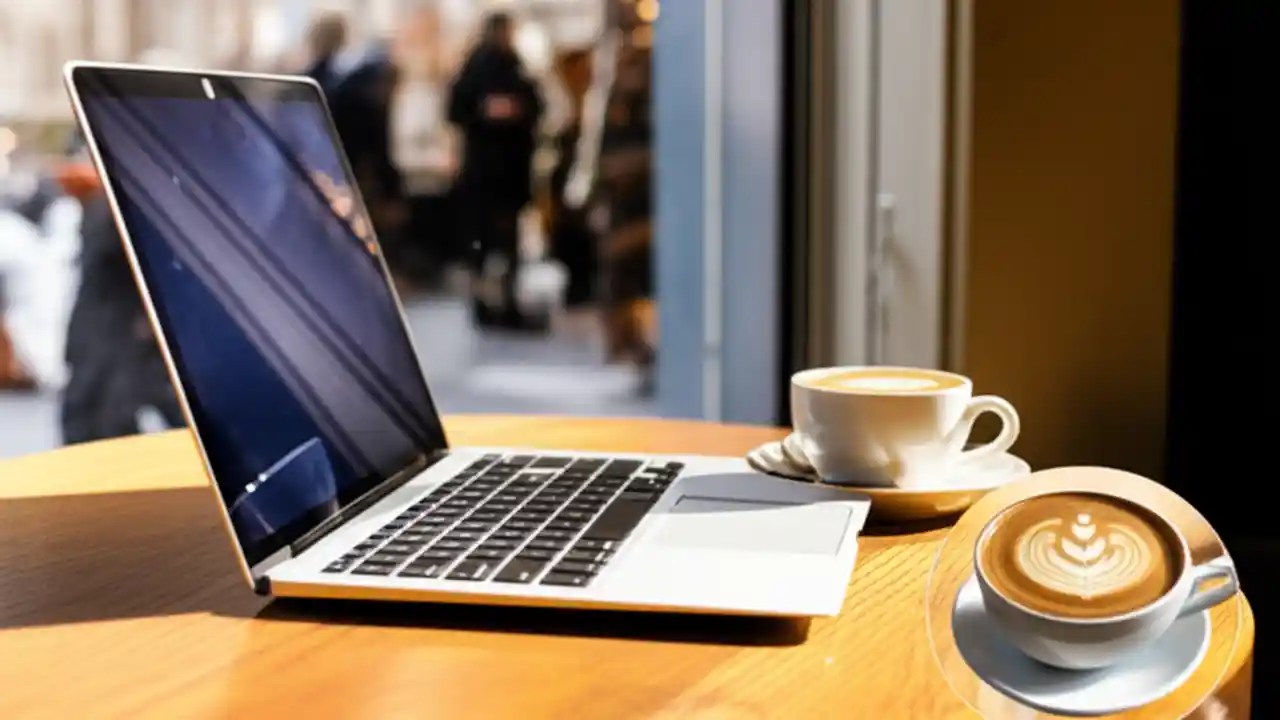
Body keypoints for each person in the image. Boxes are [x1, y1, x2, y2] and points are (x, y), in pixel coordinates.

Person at [447, 13, 544, 329]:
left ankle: (505, 301)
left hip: (509, 171)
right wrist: (484, 111)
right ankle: (485, 303)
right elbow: (456, 109)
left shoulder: (516, 67)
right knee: (483, 243)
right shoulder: (475, 70)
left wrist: (517, 110)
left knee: (506, 244)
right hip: (484, 171)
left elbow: (536, 106)